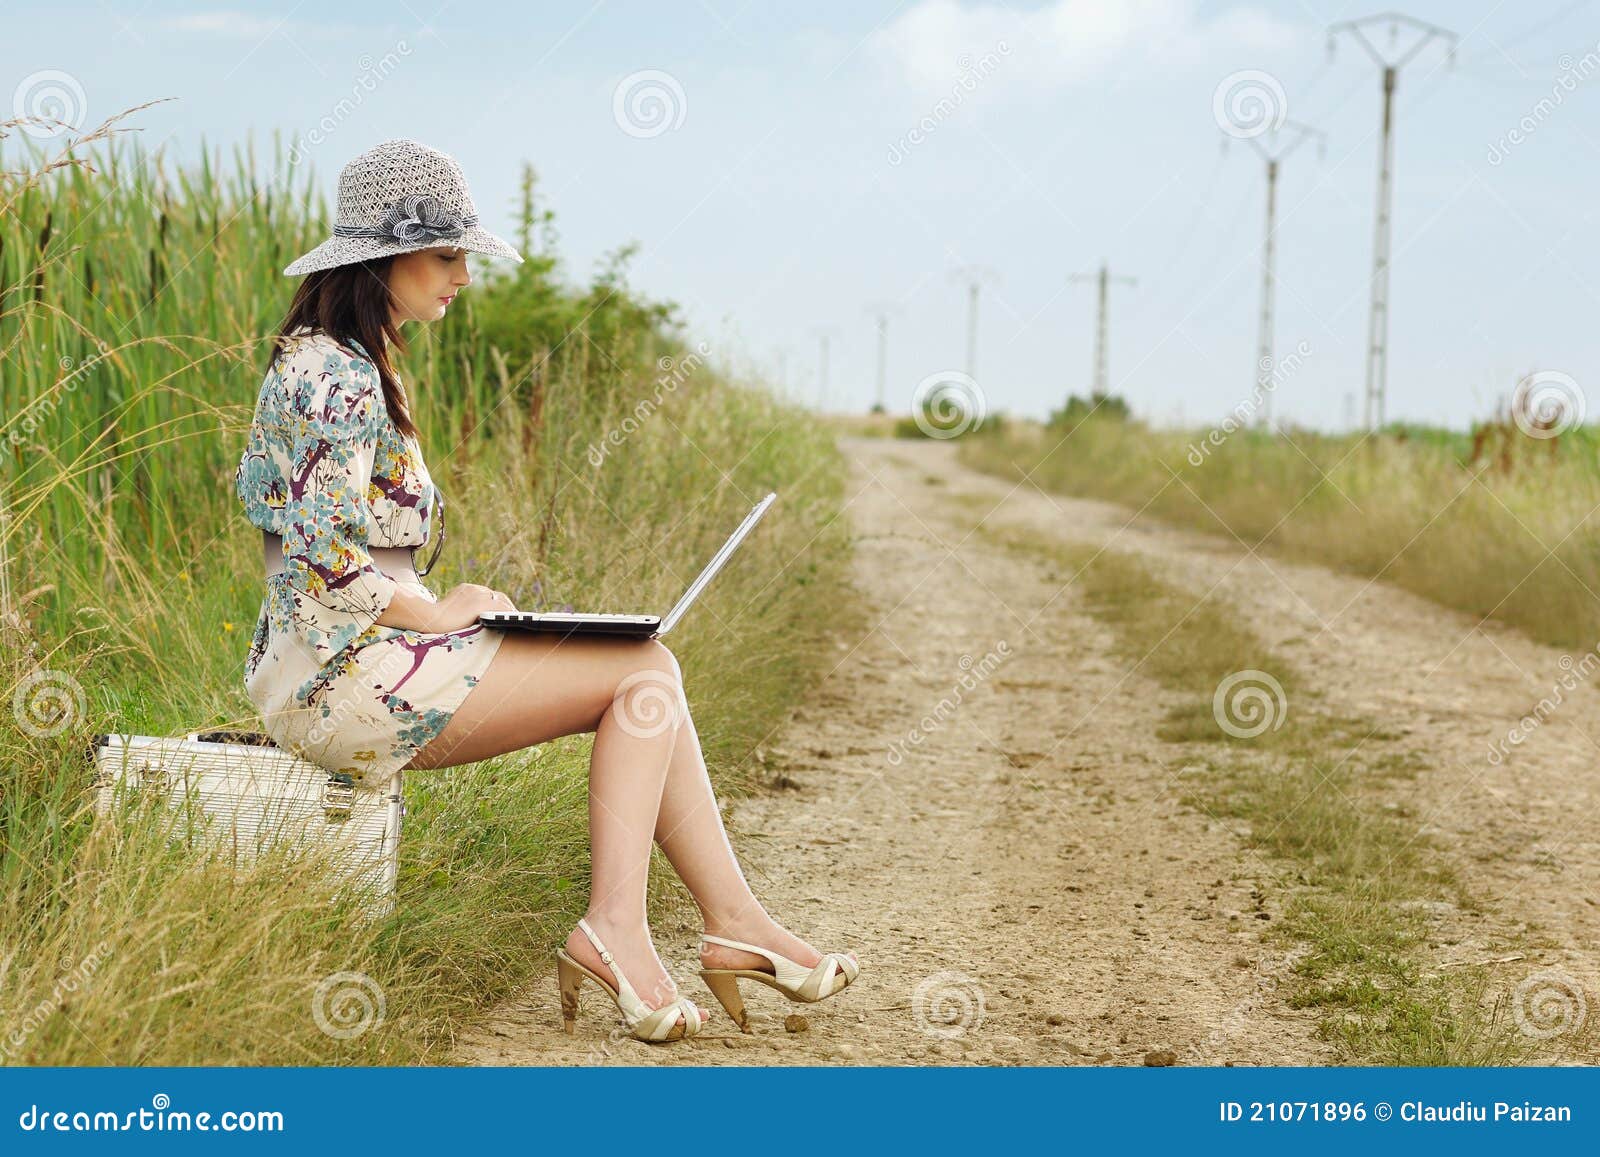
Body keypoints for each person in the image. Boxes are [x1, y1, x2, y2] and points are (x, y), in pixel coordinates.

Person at [235, 139, 857, 1044]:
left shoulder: (350, 361)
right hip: (337, 683)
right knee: (641, 672)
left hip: (359, 659)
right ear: (384, 257)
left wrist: (439, 610)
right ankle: (631, 929)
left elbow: (338, 545)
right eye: (447, 255)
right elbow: (324, 557)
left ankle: (725, 923)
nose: (463, 277)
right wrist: (435, 612)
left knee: (648, 668)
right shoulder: (333, 372)